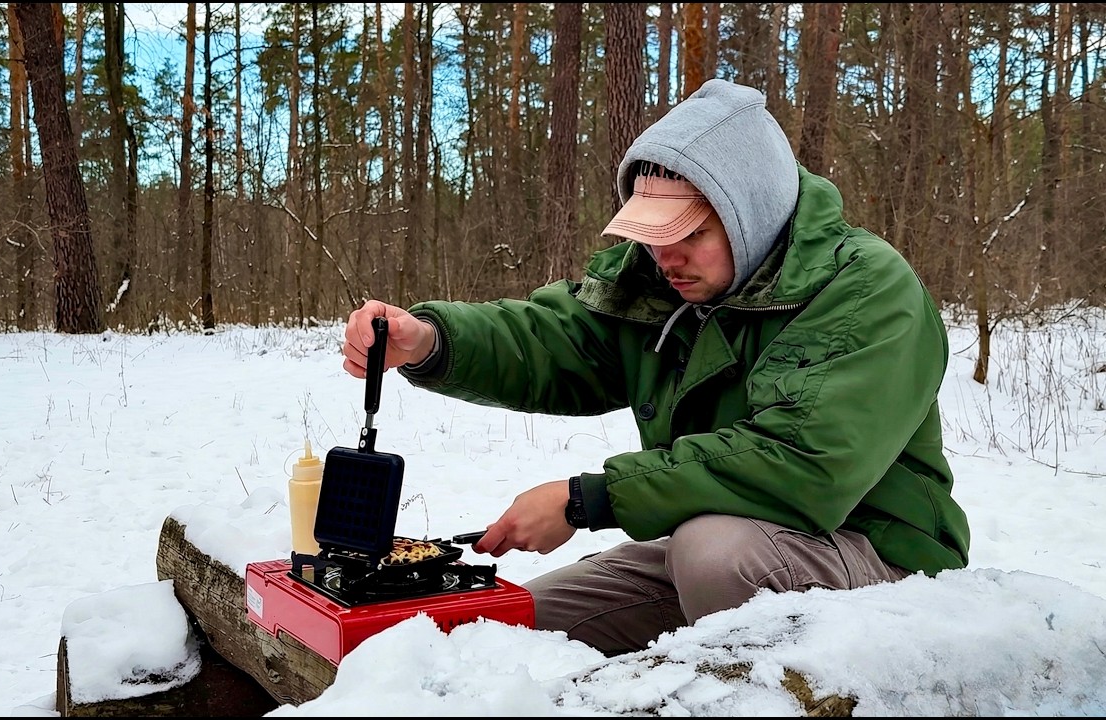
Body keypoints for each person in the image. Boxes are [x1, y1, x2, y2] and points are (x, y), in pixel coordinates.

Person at [341, 78, 970, 657]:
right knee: (508, 624)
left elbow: (803, 462)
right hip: (718, 540)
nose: (665, 255)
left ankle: (757, 697)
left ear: (750, 211)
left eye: (689, 232)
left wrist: (589, 499)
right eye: (650, 232)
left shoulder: (864, 288)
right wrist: (426, 342)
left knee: (715, 557)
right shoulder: (665, 284)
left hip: (876, 556)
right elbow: (551, 340)